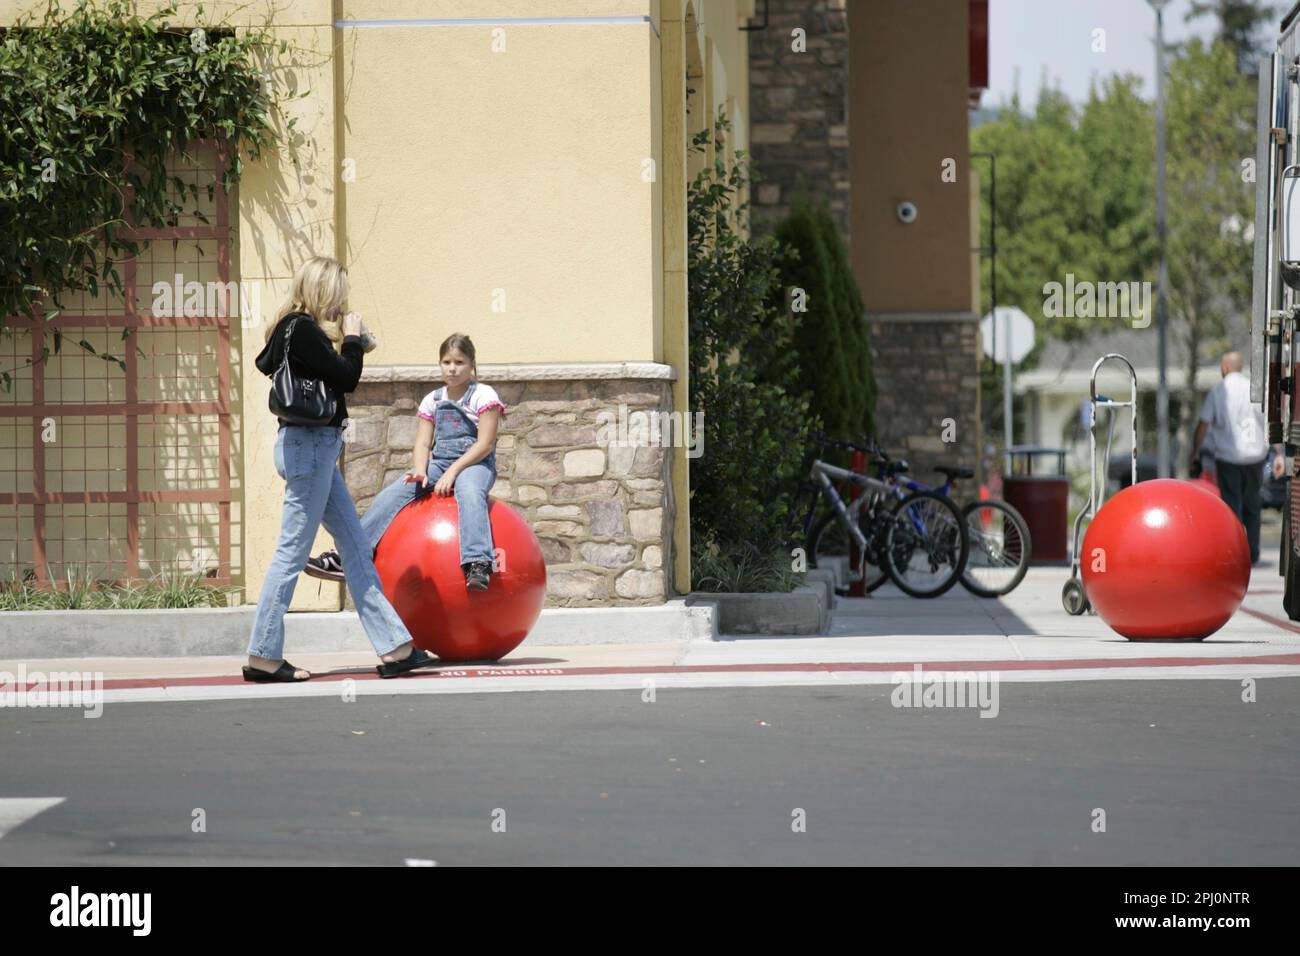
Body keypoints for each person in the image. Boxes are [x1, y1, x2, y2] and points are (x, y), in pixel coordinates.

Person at [245, 256, 440, 682]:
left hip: (313, 449)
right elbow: (346, 377)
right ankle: (262, 655)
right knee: (291, 552)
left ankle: (395, 648)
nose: (341, 304)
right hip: (311, 449)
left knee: (354, 547)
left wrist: (353, 340)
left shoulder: (293, 330)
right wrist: (350, 339)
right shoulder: (300, 328)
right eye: (338, 296)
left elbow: (307, 368)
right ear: (324, 291)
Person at [305, 333, 505, 591]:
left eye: (459, 362)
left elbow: (485, 443)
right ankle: (347, 556)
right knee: (396, 491)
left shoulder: (483, 394)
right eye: (447, 362)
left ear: (472, 364)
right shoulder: (433, 399)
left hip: (475, 464)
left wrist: (453, 472)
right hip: (440, 463)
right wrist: (421, 471)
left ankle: (477, 562)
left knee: (469, 491)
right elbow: (422, 444)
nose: (453, 369)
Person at [1189, 351, 1284, 564]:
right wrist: (1279, 453)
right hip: (1255, 457)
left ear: (1224, 368)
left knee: (1231, 507)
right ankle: (1253, 553)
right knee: (1253, 504)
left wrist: (1195, 452)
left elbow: (1204, 424)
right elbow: (1270, 423)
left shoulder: (1217, 391)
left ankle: (1235, 553)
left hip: (1228, 458)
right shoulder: (1256, 389)